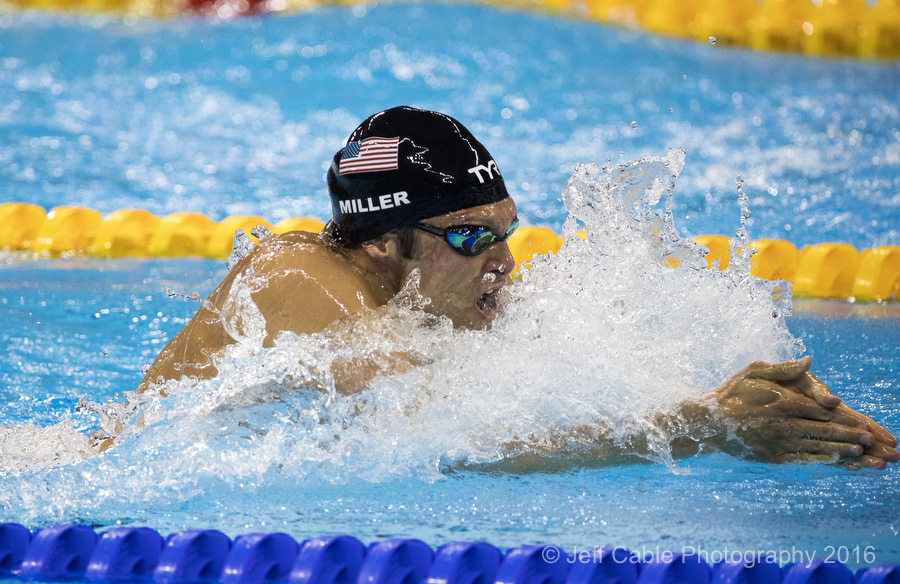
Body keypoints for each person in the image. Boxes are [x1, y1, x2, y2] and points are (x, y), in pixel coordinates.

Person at [125, 106, 898, 470]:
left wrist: (764, 399)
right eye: (470, 236)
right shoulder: (298, 281)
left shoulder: (434, 296)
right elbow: (454, 445)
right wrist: (704, 427)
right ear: (383, 242)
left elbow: (578, 372)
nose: (505, 263)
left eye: (506, 232)